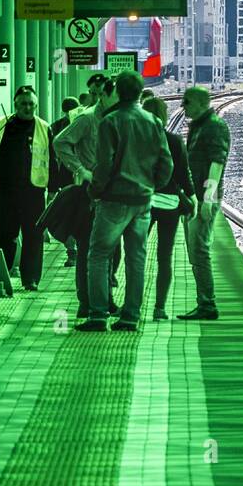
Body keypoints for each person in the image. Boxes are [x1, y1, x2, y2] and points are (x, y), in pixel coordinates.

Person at [77, 72, 172, 332]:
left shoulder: (111, 121)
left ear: (118, 91)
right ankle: (130, 316)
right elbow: (166, 164)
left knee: (98, 254)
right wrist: (153, 185)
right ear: (141, 92)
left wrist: (95, 190)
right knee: (136, 257)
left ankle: (97, 315)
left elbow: (104, 164)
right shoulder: (152, 121)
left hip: (113, 201)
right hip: (142, 201)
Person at [53, 73, 117, 317]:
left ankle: (105, 298)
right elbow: (60, 142)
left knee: (107, 248)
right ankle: (85, 302)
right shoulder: (88, 119)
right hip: (89, 193)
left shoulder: (117, 119)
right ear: (104, 95)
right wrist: (80, 170)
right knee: (87, 247)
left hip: (111, 194)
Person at [177, 86, 229, 321]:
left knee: (199, 250)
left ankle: (207, 304)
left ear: (199, 102)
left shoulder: (214, 127)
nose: (183, 106)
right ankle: (204, 303)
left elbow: (217, 163)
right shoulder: (198, 126)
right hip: (195, 198)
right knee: (195, 251)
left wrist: (208, 199)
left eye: (186, 102)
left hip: (204, 198)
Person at [142, 97, 195, 320]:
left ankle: (131, 305)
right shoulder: (173, 141)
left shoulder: (138, 139)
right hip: (170, 204)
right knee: (165, 256)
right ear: (163, 116)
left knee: (136, 254)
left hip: (142, 202)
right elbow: (183, 174)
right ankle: (160, 307)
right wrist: (192, 198)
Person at [0, 85, 53, 291]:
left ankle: (30, 279)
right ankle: (4, 275)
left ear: (36, 105)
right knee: (5, 234)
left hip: (34, 193)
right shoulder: (1, 126)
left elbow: (53, 160)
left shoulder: (44, 128)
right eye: (23, 104)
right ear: (15, 104)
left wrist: (54, 190)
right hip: (5, 193)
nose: (27, 108)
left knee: (33, 236)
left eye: (31, 104)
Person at [48, 97, 81, 266]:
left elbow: (53, 158)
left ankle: (72, 252)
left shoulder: (55, 126)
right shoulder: (83, 124)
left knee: (69, 216)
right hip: (79, 180)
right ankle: (74, 251)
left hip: (66, 180)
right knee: (76, 216)